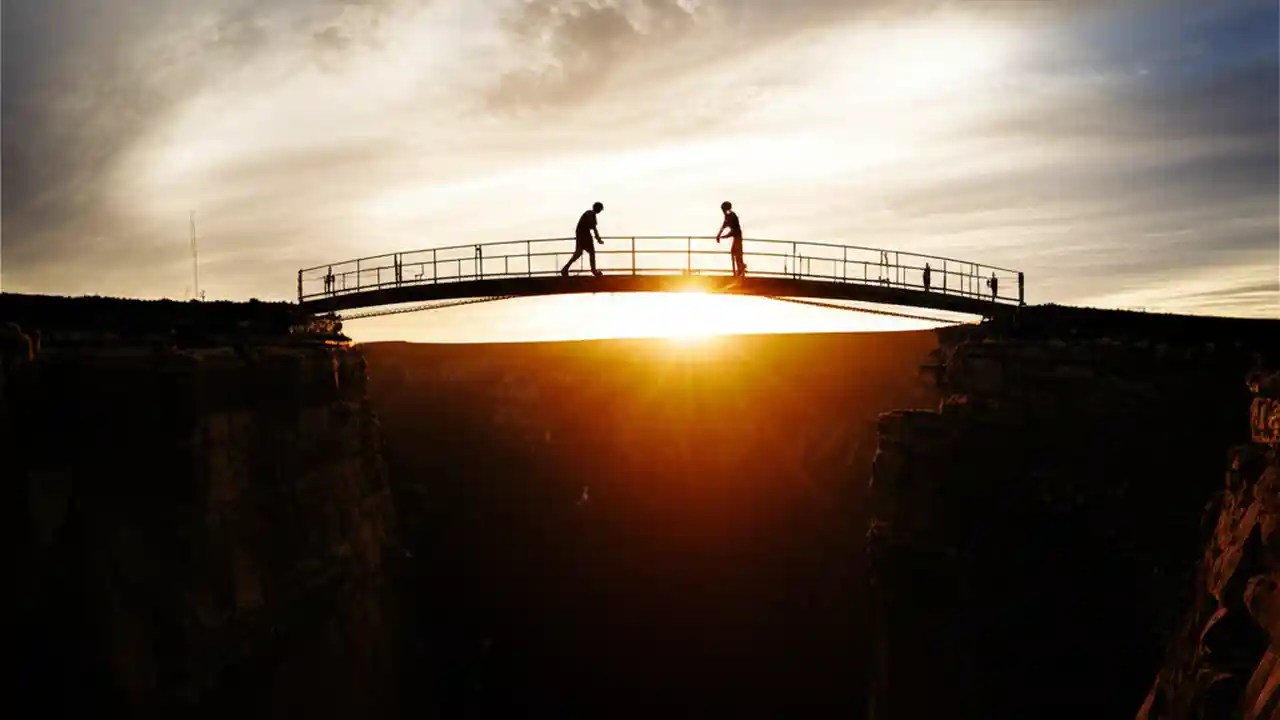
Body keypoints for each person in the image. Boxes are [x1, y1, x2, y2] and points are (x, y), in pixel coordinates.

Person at [561, 202, 605, 277]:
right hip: (584, 234)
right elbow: (594, 228)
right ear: (598, 208)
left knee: (578, 253)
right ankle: (593, 270)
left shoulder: (588, 213)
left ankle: (565, 268)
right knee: (591, 252)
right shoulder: (591, 214)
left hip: (580, 234)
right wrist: (598, 239)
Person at [716, 201, 747, 277]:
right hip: (735, 236)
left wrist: (724, 236)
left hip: (737, 236)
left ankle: (741, 268)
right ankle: (740, 268)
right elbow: (723, 226)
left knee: (737, 252)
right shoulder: (727, 216)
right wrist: (718, 235)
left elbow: (734, 231)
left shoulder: (732, 216)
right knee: (734, 252)